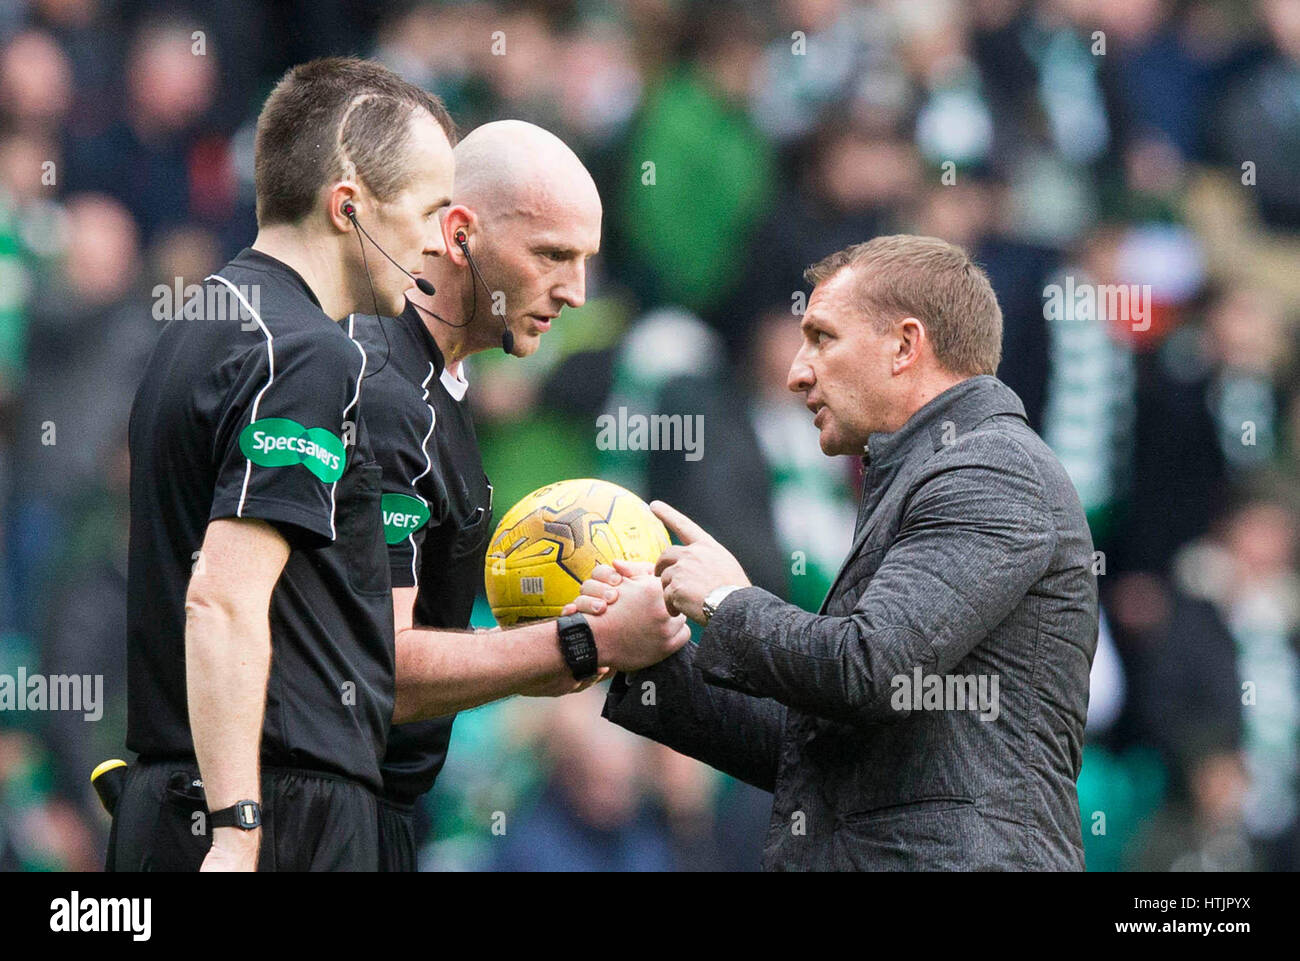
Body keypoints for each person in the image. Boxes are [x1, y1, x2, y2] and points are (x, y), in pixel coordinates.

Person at [570, 235, 1100, 870]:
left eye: (822, 338)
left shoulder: (990, 469)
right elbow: (816, 754)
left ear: (905, 346)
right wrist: (647, 656)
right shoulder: (928, 473)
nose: (797, 371)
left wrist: (725, 600)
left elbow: (871, 668)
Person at [113, 58, 456, 872]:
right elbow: (222, 600)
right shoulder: (307, 354)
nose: (440, 240)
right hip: (275, 811)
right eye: (431, 209)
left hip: (176, 796)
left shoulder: (203, 320)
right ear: (349, 206)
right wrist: (236, 827)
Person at [348, 120, 690, 871]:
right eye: (552, 255)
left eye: (586, 261)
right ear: (461, 233)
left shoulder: (432, 388)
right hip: (314, 818)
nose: (575, 291)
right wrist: (585, 642)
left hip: (369, 811)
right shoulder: (381, 389)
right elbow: (382, 668)